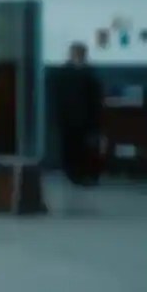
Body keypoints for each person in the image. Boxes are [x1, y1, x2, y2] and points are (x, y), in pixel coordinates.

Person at [57, 42, 105, 186]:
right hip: (71, 116)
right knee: (71, 146)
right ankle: (74, 173)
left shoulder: (85, 72)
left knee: (84, 146)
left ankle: (84, 173)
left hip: (84, 116)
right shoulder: (71, 72)